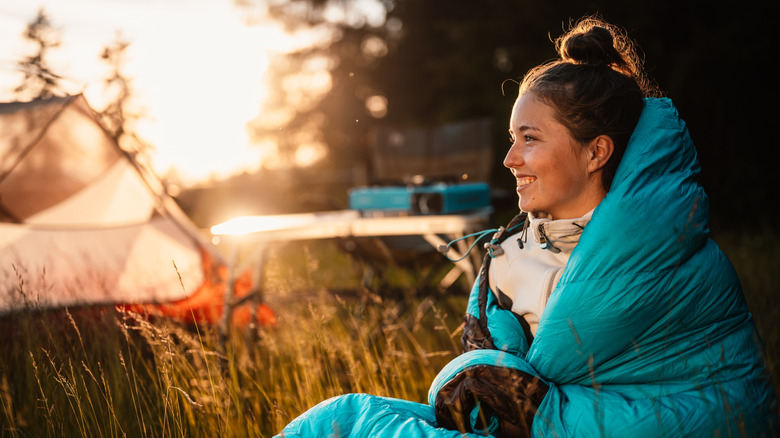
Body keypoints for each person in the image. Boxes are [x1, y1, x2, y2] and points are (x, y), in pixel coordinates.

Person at [276, 16, 778, 437]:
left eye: (530, 139)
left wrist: (522, 403)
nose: (510, 158)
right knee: (337, 419)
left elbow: (708, 406)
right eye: (513, 138)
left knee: (344, 423)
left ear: (596, 151)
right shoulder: (510, 256)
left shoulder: (665, 255)